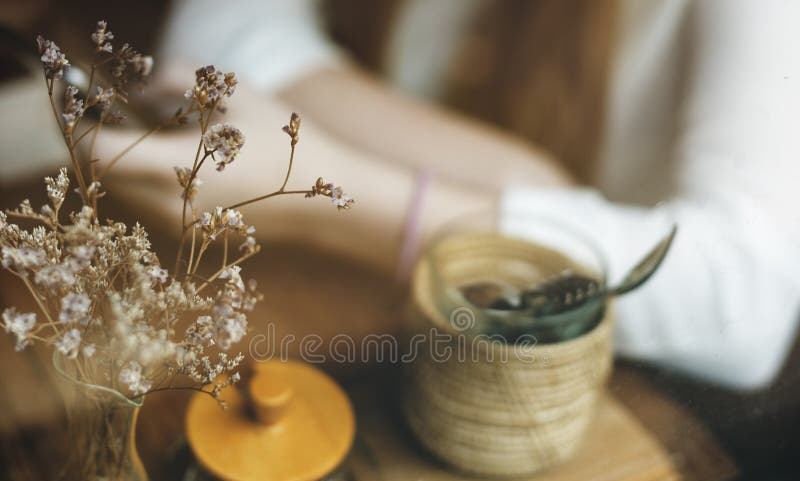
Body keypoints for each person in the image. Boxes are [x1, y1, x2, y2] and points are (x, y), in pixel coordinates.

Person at [93, 0, 799, 391]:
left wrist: (334, 196)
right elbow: (225, 27)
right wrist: (521, 183)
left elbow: (748, 305)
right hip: (385, 319)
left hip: (595, 384)